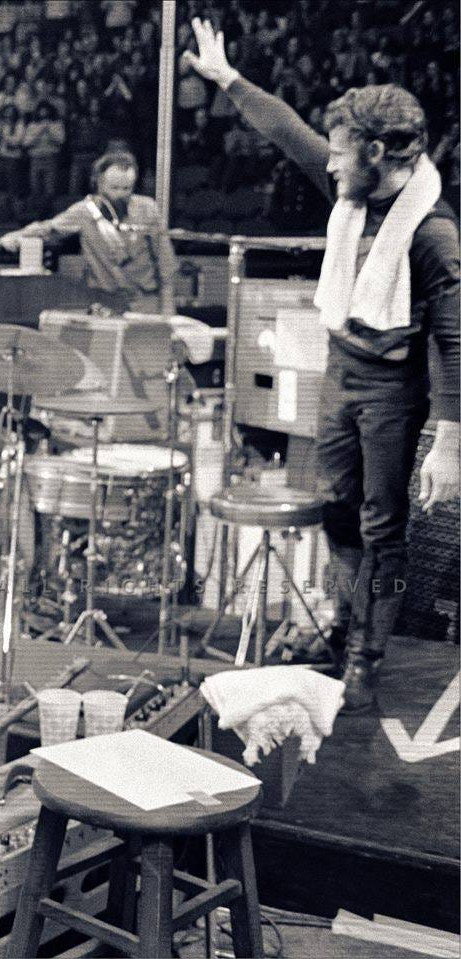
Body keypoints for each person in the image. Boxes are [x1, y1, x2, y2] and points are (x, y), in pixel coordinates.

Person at [185, 18, 460, 712]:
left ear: (378, 152)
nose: (330, 163)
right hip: (342, 371)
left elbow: (457, 339)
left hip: (394, 387)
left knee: (381, 525)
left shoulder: (432, 232)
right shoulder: (351, 191)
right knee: (338, 511)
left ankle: (366, 659)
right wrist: (228, 79)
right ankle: (343, 627)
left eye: (342, 153)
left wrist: (452, 440)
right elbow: (288, 131)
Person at [0, 149, 177, 313]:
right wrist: (15, 236)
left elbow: (166, 262)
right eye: (114, 188)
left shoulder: (148, 208)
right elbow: (48, 228)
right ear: (98, 183)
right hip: (106, 302)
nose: (120, 194)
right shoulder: (84, 211)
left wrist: (168, 311)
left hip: (146, 300)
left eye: (127, 189)